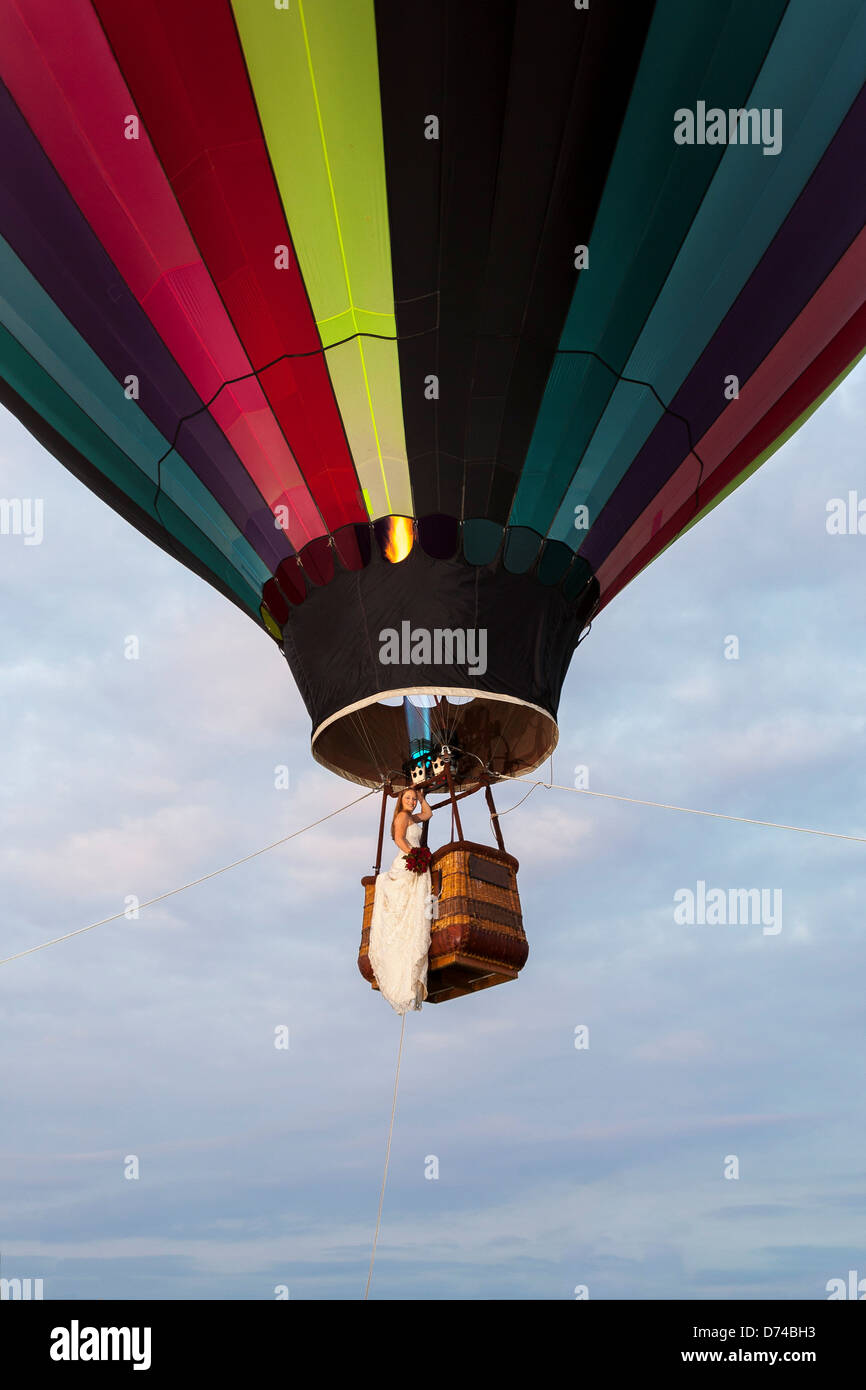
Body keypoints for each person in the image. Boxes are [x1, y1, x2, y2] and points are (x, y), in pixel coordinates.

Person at [368, 787, 434, 1014]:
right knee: (405, 906)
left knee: (414, 906)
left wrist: (423, 797)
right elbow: (398, 838)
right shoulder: (402, 816)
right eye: (409, 798)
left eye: (414, 799)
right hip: (408, 860)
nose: (412, 802)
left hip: (416, 862)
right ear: (401, 800)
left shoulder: (412, 815)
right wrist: (414, 854)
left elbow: (428, 815)